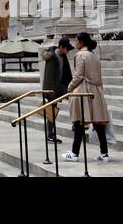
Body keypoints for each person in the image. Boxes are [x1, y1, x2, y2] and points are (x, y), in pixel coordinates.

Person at [63, 32, 111, 162]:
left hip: (83, 90)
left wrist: (70, 87)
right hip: (95, 91)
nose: (75, 44)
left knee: (79, 121)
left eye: (77, 41)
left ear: (82, 42)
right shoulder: (93, 56)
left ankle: (74, 153)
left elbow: (78, 76)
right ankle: (104, 152)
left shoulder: (80, 55)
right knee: (98, 123)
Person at [40, 38, 72, 144]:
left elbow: (65, 72)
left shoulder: (63, 56)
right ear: (61, 47)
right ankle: (50, 135)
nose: (68, 51)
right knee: (51, 113)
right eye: (67, 49)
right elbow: (48, 76)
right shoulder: (52, 56)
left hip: (60, 87)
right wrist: (49, 91)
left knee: (53, 112)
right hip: (52, 89)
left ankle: (51, 134)